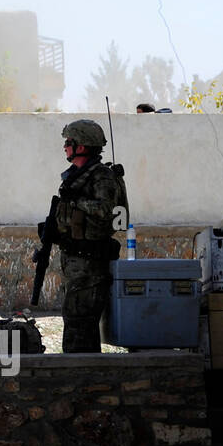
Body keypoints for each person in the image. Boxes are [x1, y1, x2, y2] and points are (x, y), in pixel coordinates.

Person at [51, 119, 128, 353]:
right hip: (76, 261)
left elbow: (106, 210)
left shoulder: (101, 176)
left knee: (81, 321)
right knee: (74, 318)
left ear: (81, 146)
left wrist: (75, 201)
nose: (65, 147)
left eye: (68, 142)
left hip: (90, 263)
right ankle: (79, 372)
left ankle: (82, 375)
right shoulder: (79, 175)